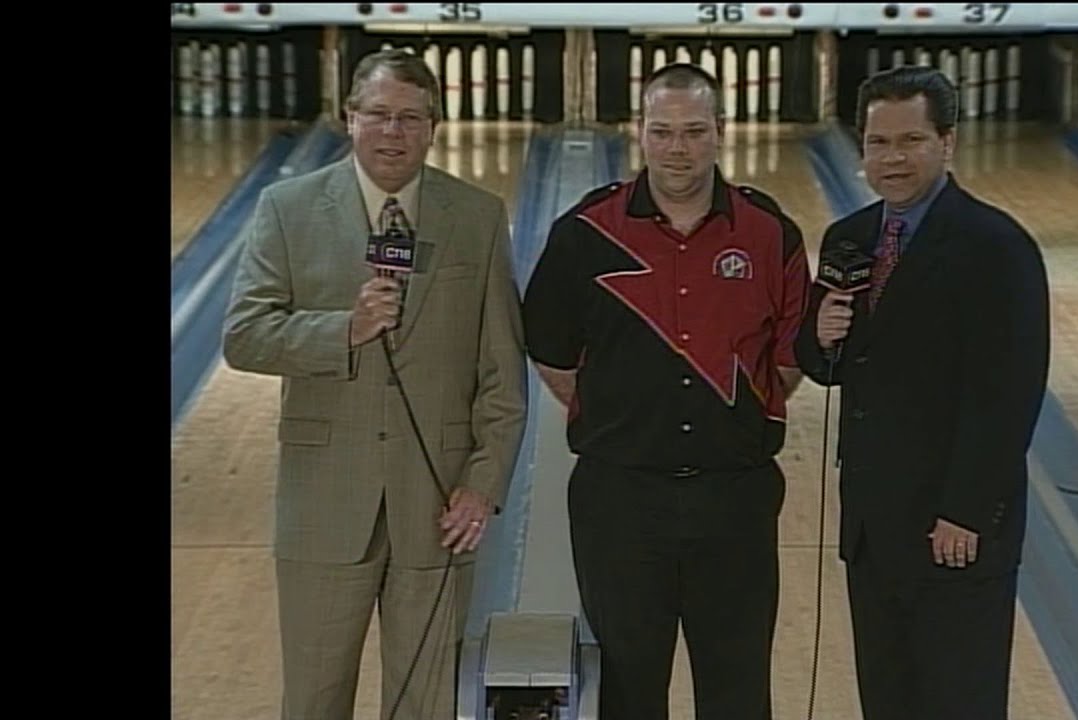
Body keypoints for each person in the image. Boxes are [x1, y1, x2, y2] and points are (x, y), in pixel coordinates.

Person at [222, 49, 527, 720]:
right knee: (314, 699)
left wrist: (485, 481)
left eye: (412, 118)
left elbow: (503, 372)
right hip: (325, 504)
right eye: (380, 115)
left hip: (439, 502)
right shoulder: (288, 208)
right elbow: (244, 335)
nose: (395, 133)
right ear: (350, 118)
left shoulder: (475, 215)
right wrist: (342, 330)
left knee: (427, 703)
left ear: (434, 127)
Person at [521, 63, 811, 720]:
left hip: (733, 498)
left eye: (694, 131)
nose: (678, 148)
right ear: (638, 134)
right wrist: (627, 418)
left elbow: (788, 359)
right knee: (627, 690)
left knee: (738, 689)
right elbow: (551, 353)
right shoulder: (585, 231)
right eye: (662, 131)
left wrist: (726, 421)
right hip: (619, 501)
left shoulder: (770, 233)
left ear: (721, 132)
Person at [794, 65, 1051, 720]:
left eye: (911, 141)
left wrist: (965, 510)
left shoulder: (997, 247)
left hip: (953, 526)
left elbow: (1008, 394)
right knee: (888, 698)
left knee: (957, 700)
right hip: (873, 526)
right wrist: (819, 337)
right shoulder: (848, 238)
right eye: (878, 143)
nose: (892, 159)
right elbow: (828, 366)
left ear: (948, 143)